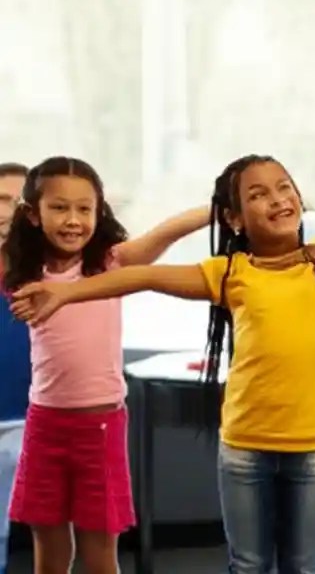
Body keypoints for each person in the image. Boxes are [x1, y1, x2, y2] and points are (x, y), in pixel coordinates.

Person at [7, 154, 315, 574]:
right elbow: (144, 278)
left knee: (303, 565)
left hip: (308, 443)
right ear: (235, 218)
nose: (277, 199)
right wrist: (63, 293)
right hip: (236, 444)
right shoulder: (229, 272)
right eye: (258, 194)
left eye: (284, 187)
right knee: (246, 564)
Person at [1, 157, 207, 574]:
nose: (73, 220)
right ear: (33, 214)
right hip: (43, 425)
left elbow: (167, 230)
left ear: (99, 211)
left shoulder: (109, 265)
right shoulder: (20, 269)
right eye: (59, 208)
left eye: (84, 208)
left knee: (99, 553)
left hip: (100, 425)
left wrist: (220, 207)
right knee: (50, 554)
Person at [0, 162, 28, 574]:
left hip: (29, 422)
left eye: (19, 203)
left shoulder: (56, 276)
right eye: (1, 200)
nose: (7, 212)